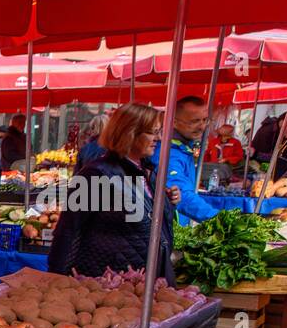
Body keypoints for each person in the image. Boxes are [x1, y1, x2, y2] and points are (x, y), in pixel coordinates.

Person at [49, 102, 173, 283]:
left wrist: (166, 202)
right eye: (153, 132)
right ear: (130, 132)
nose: (159, 138)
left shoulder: (147, 171)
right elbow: (67, 230)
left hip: (142, 281)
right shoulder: (97, 174)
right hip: (108, 281)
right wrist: (56, 279)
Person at [161, 96, 215, 224]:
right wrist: (218, 220)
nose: (202, 126)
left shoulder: (183, 147)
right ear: (173, 122)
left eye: (205, 120)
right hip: (170, 229)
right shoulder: (168, 152)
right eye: (195, 121)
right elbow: (181, 193)